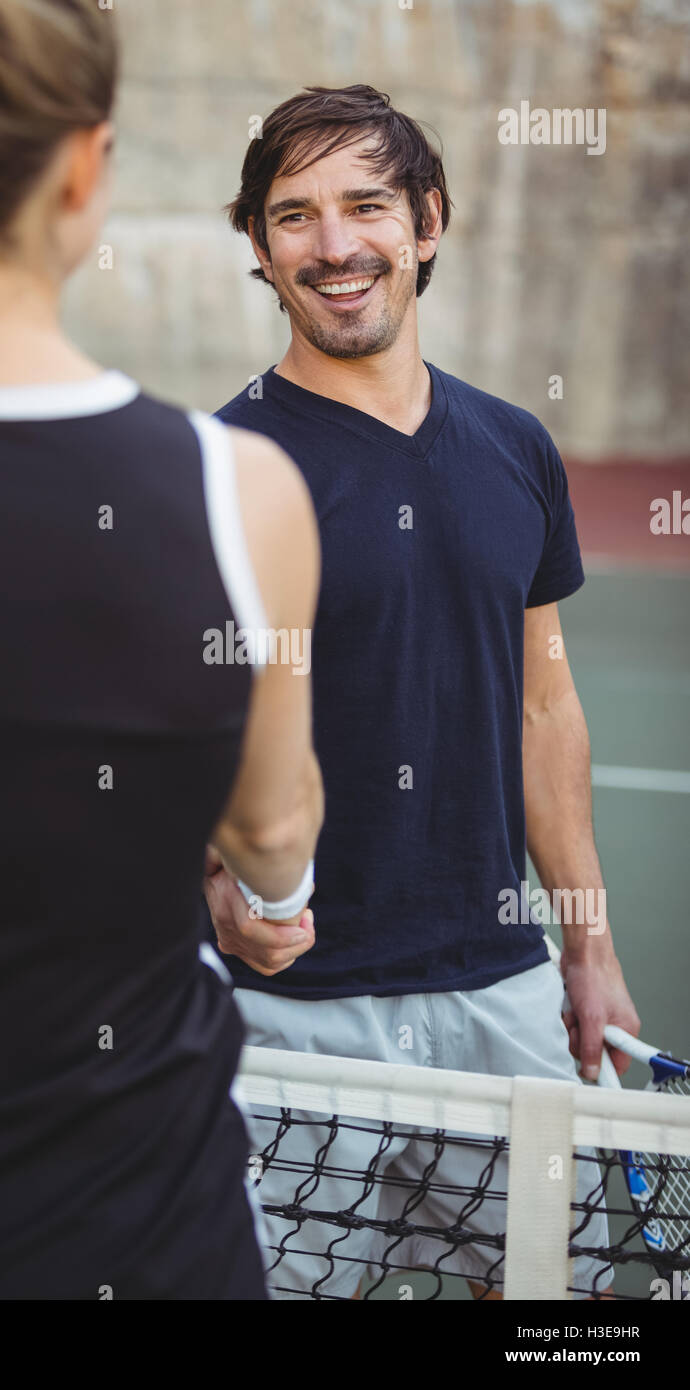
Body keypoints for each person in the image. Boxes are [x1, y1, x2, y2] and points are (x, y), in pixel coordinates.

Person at [0, 0, 322, 1300]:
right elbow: (272, 836)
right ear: (87, 165)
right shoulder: (239, 494)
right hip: (142, 1245)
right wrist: (259, 902)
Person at [203, 84, 641, 1300]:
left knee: (546, 1307)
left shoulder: (514, 447)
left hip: (499, 987)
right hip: (288, 1012)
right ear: (257, 244)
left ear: (427, 221)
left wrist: (584, 948)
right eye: (293, 215)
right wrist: (206, 886)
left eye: (366, 205)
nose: (334, 245)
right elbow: (162, 731)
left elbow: (542, 708)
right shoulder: (217, 467)